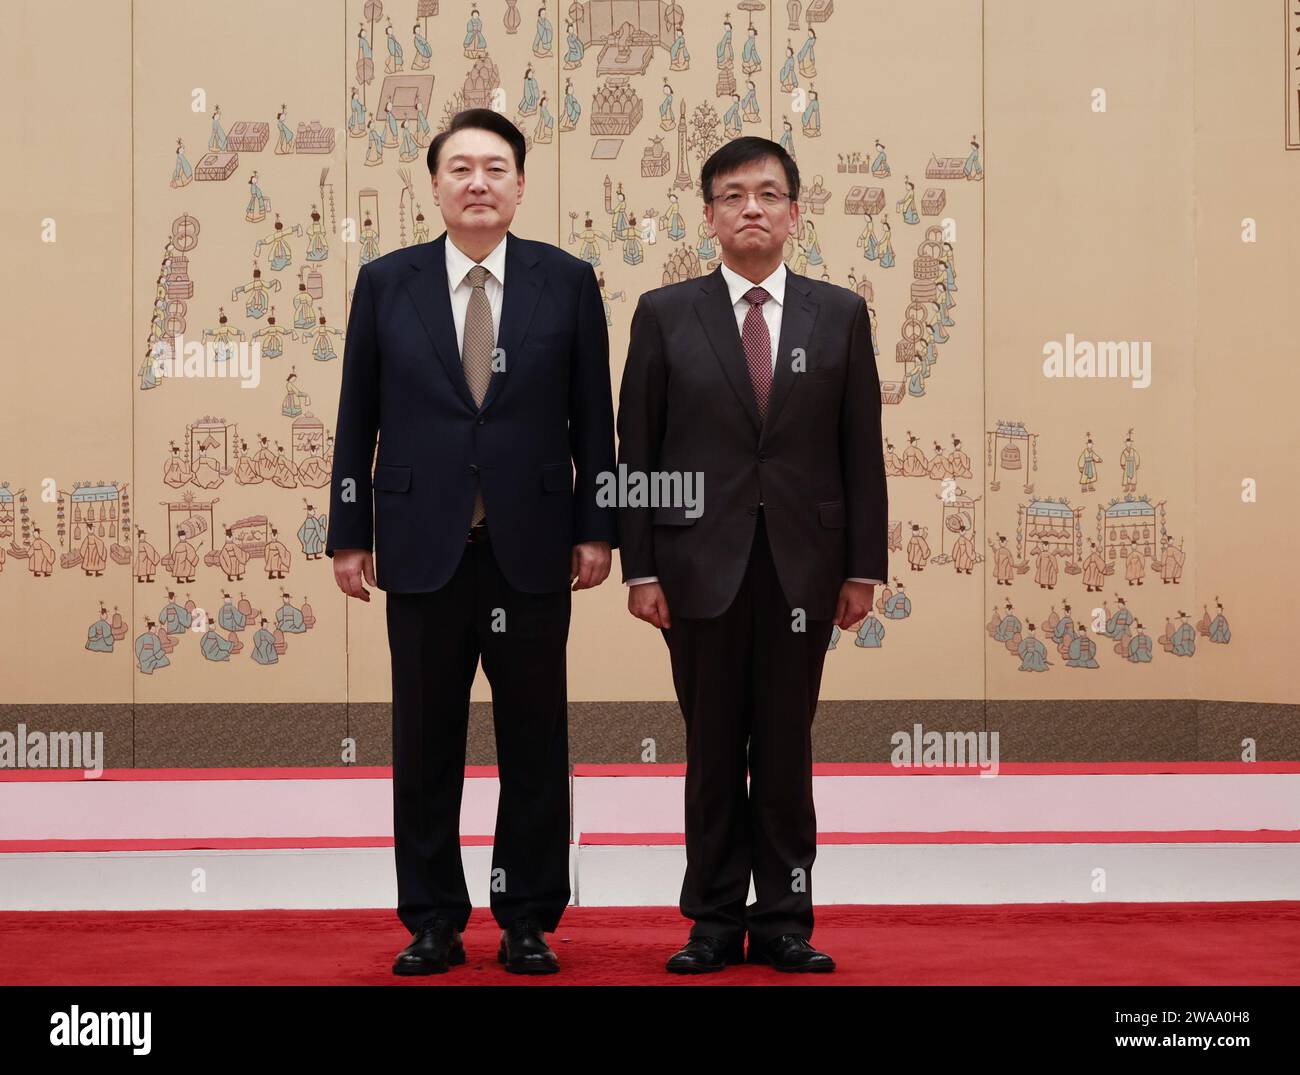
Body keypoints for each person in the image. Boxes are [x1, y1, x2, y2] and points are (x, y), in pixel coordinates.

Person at [326, 108, 617, 977]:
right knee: (424, 744)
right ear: (436, 186)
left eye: (496, 167)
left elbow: (592, 421)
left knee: (535, 742)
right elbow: (356, 421)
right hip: (421, 547)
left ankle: (527, 917)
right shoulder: (387, 283)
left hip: (531, 546)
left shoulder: (567, 282)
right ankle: (432, 920)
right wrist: (350, 534)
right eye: (461, 168)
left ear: (521, 185)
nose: (479, 181)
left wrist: (597, 525)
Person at [616, 136, 888, 974]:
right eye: (733, 195)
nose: (752, 209)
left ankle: (783, 920)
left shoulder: (838, 313)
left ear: (795, 212)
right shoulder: (666, 313)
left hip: (805, 568)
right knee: (710, 747)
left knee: (784, 746)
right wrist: (642, 566)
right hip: (698, 569)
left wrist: (862, 566)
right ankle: (710, 920)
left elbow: (860, 450)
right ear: (708, 216)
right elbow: (640, 448)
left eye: (769, 193)